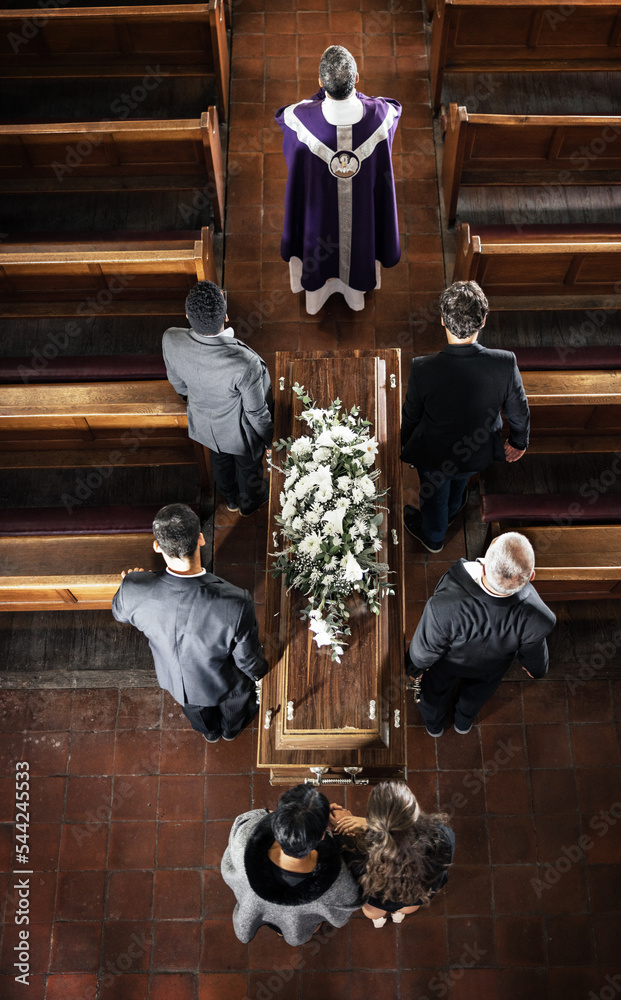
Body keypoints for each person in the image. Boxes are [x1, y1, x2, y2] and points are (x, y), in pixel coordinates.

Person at [112, 503, 267, 742]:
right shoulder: (236, 602)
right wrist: (260, 674)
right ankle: (230, 732)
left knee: (200, 718)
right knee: (235, 715)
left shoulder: (133, 589)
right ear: (201, 539)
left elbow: (120, 613)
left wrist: (134, 582)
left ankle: (211, 734)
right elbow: (247, 658)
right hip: (226, 683)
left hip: (179, 682)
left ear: (157, 546)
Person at [400, 280, 530, 553]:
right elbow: (518, 409)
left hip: (435, 455)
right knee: (460, 478)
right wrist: (518, 441)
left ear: (443, 321)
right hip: (477, 451)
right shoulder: (504, 363)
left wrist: (406, 442)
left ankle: (434, 537)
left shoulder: (423, 368)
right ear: (483, 321)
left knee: (433, 496)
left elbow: (411, 413)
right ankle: (454, 507)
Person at [276, 45, 401, 314]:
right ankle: (356, 294)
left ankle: (316, 296)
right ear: (356, 79)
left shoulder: (299, 121)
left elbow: (290, 118)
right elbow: (388, 105)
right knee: (358, 239)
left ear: (320, 82)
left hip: (318, 219)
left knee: (320, 243)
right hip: (363, 213)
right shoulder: (381, 117)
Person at [407, 532, 557, 737]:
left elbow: (424, 651)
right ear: (532, 576)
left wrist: (415, 668)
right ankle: (463, 723)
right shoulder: (540, 616)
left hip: (447, 665)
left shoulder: (443, 605)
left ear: (485, 565)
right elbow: (534, 655)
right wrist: (537, 669)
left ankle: (435, 726)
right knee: (476, 696)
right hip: (491, 669)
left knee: (433, 694)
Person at [162, 280, 273, 516]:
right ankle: (249, 502)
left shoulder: (170, 339)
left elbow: (178, 382)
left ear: (187, 315)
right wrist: (269, 438)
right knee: (248, 468)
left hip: (204, 424)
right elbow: (256, 412)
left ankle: (231, 500)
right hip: (240, 433)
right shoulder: (244, 362)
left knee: (220, 461)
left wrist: (192, 396)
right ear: (226, 316)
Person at [221, 784, 361, 945]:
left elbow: (251, 819)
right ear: (323, 835)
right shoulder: (338, 880)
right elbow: (343, 911)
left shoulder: (244, 839)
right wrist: (343, 833)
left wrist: (304, 819)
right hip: (297, 921)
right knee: (298, 927)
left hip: (255, 907)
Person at [330, 782, 454, 927]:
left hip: (378, 902)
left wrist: (346, 826)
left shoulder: (356, 853)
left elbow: (348, 875)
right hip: (416, 896)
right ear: (414, 810)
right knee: (408, 907)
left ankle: (378, 921)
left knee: (373, 913)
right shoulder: (442, 836)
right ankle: (399, 915)